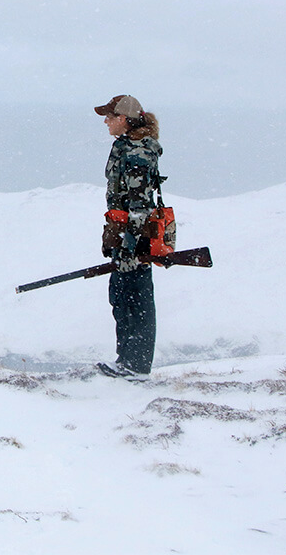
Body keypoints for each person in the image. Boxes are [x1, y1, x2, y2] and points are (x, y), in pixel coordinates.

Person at [94, 95, 162, 381]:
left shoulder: (138, 152)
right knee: (122, 296)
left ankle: (136, 366)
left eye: (110, 117)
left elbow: (139, 206)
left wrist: (130, 248)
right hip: (123, 236)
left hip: (134, 238)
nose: (107, 122)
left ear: (124, 118)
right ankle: (126, 361)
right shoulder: (125, 146)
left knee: (136, 299)